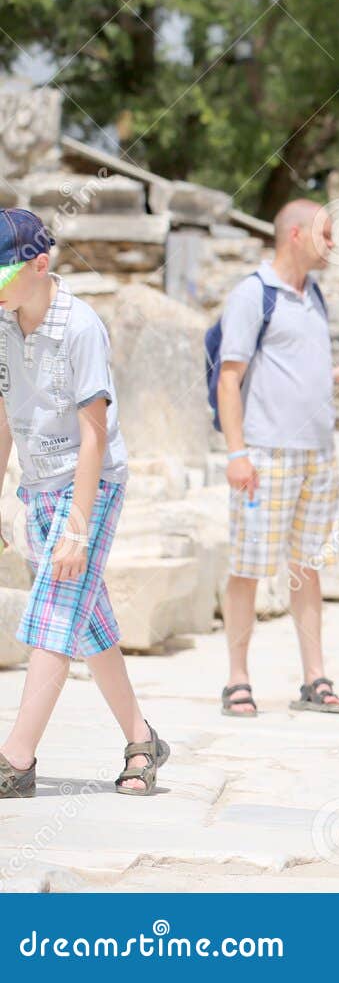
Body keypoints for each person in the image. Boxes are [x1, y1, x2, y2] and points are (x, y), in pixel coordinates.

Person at [0, 208, 169, 798]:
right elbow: (2, 414)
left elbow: (94, 433)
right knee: (86, 623)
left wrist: (77, 527)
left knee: (53, 615)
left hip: (88, 487)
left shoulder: (81, 327)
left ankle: (15, 761)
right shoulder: (4, 323)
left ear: (37, 265)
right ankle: (143, 740)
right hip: (38, 484)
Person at [216, 200, 339, 719]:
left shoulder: (315, 297)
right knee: (246, 567)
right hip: (265, 453)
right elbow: (229, 377)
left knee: (307, 567)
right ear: (295, 234)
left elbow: (298, 373)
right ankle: (237, 678)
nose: (333, 245)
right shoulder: (252, 295)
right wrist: (237, 453)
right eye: (326, 235)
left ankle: (315, 677)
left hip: (317, 457)